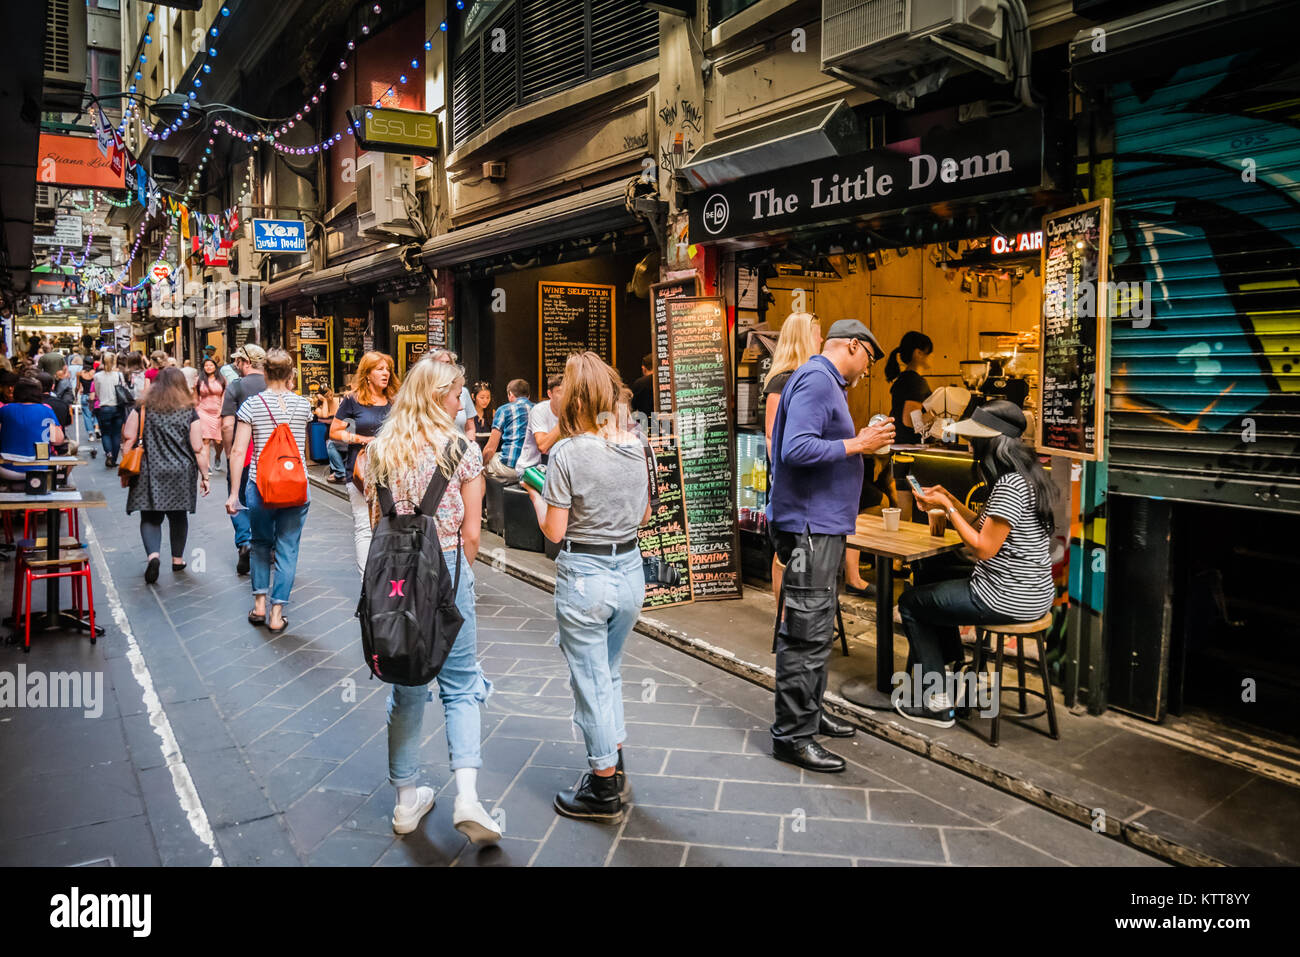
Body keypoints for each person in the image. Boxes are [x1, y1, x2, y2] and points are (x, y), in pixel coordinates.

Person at [362, 356, 502, 843]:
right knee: (461, 685)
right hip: (445, 572)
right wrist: (461, 583)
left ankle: (406, 802)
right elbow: (471, 535)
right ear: (439, 395)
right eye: (457, 392)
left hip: (394, 583)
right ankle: (467, 796)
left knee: (407, 684)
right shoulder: (460, 449)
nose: (461, 400)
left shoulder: (379, 450)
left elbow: (376, 520)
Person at [523, 352, 651, 823]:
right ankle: (616, 763)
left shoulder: (568, 453)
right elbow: (643, 516)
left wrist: (538, 494)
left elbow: (554, 532)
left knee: (590, 681)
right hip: (631, 572)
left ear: (573, 398)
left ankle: (602, 786)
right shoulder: (637, 445)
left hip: (586, 578)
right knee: (610, 673)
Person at [766, 319, 893, 773]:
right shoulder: (820, 380)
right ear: (855, 346)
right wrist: (860, 443)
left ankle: (810, 714)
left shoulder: (821, 380)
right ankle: (792, 737)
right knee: (805, 633)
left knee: (815, 628)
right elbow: (796, 449)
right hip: (809, 527)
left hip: (818, 525)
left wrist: (857, 445)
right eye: (870, 359)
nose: (868, 370)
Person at [898, 401, 1056, 728]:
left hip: (1008, 598)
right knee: (931, 576)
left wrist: (946, 507)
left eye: (975, 439)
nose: (970, 445)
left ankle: (934, 702)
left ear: (992, 443)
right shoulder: (1026, 475)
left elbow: (984, 548)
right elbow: (985, 527)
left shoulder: (1011, 485)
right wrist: (951, 499)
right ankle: (953, 668)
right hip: (1034, 593)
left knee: (911, 602)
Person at [225, 349, 311, 634]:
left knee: (261, 544)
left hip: (260, 485)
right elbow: (302, 450)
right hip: (296, 486)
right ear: (289, 374)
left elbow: (238, 451)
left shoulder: (251, 405)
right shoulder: (303, 405)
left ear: (265, 373)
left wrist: (233, 493)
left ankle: (259, 605)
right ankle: (277, 613)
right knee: (287, 547)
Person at [121, 367, 210, 583]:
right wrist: (205, 476)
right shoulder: (189, 411)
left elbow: (128, 439)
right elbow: (198, 447)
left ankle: (153, 556)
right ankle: (177, 559)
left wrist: (125, 468)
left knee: (150, 516)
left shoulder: (142, 408)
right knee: (178, 516)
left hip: (148, 469)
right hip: (181, 470)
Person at [761, 312, 822, 599]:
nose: (821, 339)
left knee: (797, 554)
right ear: (803, 339)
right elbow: (773, 437)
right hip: (788, 486)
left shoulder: (808, 379)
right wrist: (786, 479)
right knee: (786, 555)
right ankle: (784, 619)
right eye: (817, 333)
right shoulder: (782, 381)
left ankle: (794, 620)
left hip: (804, 486)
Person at [330, 352, 398, 572]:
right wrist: (361, 439)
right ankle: (366, 584)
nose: (385, 373)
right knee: (363, 526)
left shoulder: (395, 399)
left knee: (390, 526)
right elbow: (334, 432)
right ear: (367, 374)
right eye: (379, 369)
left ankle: (387, 577)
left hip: (392, 471)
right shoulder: (353, 399)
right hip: (361, 470)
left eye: (387, 368)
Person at [221, 345, 267, 576]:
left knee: (237, 497)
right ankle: (268, 544)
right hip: (272, 456)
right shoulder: (274, 384)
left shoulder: (236, 387)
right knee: (269, 498)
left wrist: (230, 453)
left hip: (244, 453)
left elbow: (228, 425)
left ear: (245, 361)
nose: (235, 365)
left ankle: (245, 541)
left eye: (237, 361)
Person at [0, 376, 65, 480]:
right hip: (39, 469)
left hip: (7, 470)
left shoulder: (4, 410)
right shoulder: (46, 410)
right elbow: (57, 440)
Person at [886, 331, 935, 446]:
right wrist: (937, 414)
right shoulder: (915, 382)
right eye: (929, 352)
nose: (933, 356)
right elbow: (910, 421)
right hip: (911, 448)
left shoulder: (903, 379)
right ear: (918, 353)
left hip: (898, 444)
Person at [482, 378, 532, 481]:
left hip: (511, 467)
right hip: (532, 468)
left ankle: (492, 497)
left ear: (510, 394)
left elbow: (490, 449)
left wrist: (480, 464)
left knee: (482, 466)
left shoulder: (504, 410)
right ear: (528, 396)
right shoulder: (537, 409)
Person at [515, 374, 562, 474]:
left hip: (555, 469)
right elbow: (543, 447)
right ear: (550, 394)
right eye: (560, 392)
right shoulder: (539, 410)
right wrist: (565, 419)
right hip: (530, 469)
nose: (565, 396)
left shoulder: (574, 411)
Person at [92, 352, 128, 468]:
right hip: (117, 407)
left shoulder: (97, 376)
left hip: (104, 407)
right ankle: (114, 459)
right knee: (116, 434)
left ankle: (109, 454)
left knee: (106, 433)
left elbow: (97, 392)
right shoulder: (118, 375)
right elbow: (124, 389)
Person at [428, 350, 474, 434]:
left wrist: (470, 444)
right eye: (441, 363)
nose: (460, 407)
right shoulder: (425, 393)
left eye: (448, 362)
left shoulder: (463, 391)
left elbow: (470, 427)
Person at [195, 357, 226, 475]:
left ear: (215, 367)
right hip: (203, 411)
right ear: (203, 368)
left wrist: (222, 410)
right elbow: (196, 396)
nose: (208, 367)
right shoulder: (199, 380)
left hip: (217, 411)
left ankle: (217, 457)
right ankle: (207, 465)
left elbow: (224, 395)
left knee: (219, 441)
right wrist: (196, 410)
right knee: (205, 439)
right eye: (206, 365)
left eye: (211, 365)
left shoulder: (222, 380)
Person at [312, 389, 348, 483]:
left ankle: (340, 472)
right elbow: (324, 415)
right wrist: (325, 401)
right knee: (330, 443)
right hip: (330, 433)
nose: (331, 397)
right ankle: (338, 472)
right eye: (327, 396)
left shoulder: (340, 400)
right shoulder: (319, 408)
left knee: (333, 444)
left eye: (331, 394)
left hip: (343, 431)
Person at [630, 353, 654, 420]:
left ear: (644, 369)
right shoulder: (668, 381)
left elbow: (632, 406)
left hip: (645, 424)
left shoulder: (640, 383)